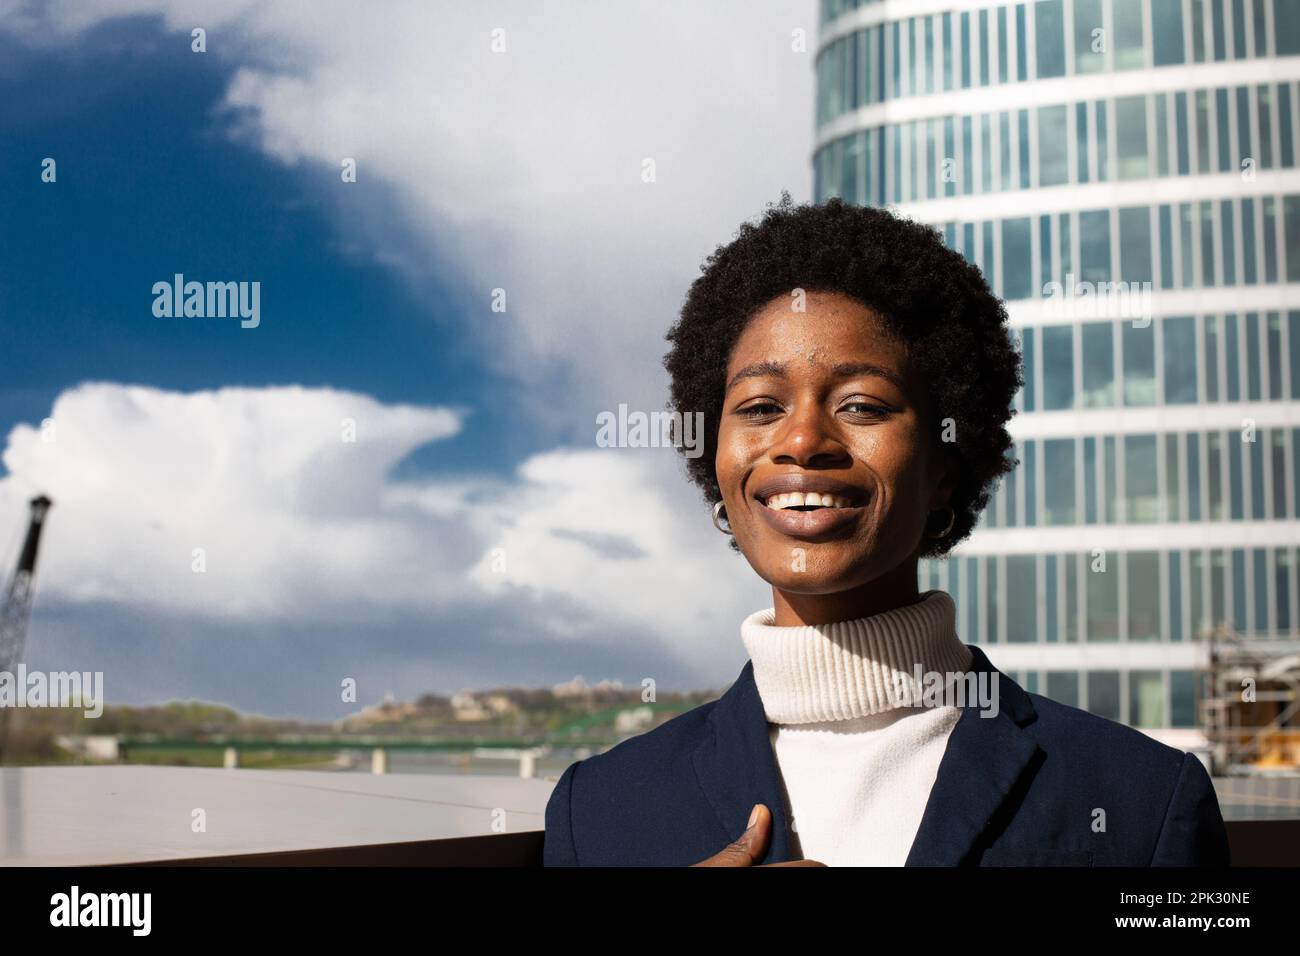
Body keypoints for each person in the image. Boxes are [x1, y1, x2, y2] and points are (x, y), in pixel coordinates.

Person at [543, 193, 1230, 867]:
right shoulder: (598, 810)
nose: (803, 439)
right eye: (759, 405)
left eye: (863, 404)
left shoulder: (1141, 801)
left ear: (945, 469)